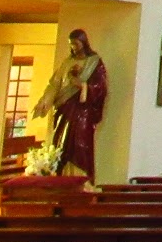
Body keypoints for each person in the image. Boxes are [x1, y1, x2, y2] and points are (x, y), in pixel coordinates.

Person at [32, 28, 107, 184]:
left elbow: (100, 87)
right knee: (62, 143)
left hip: (82, 110)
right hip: (64, 108)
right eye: (71, 44)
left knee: (80, 144)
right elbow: (54, 84)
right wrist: (44, 101)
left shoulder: (94, 62)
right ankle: (63, 179)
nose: (74, 47)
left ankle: (81, 180)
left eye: (76, 43)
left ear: (84, 43)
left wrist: (83, 86)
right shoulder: (67, 63)